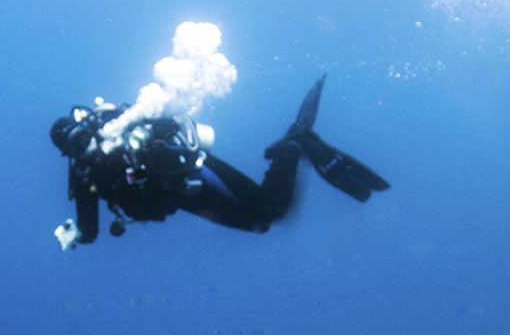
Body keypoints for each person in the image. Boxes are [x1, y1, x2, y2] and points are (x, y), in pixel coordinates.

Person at [50, 75, 390, 249]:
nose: (85, 148)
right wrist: (75, 235)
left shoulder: (120, 130)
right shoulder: (85, 176)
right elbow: (91, 230)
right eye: (76, 148)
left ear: (88, 129)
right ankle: (294, 145)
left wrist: (145, 139)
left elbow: (170, 121)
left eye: (83, 138)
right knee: (262, 223)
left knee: (269, 212)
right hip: (182, 199)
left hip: (197, 170)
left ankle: (294, 144)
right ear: (69, 155)